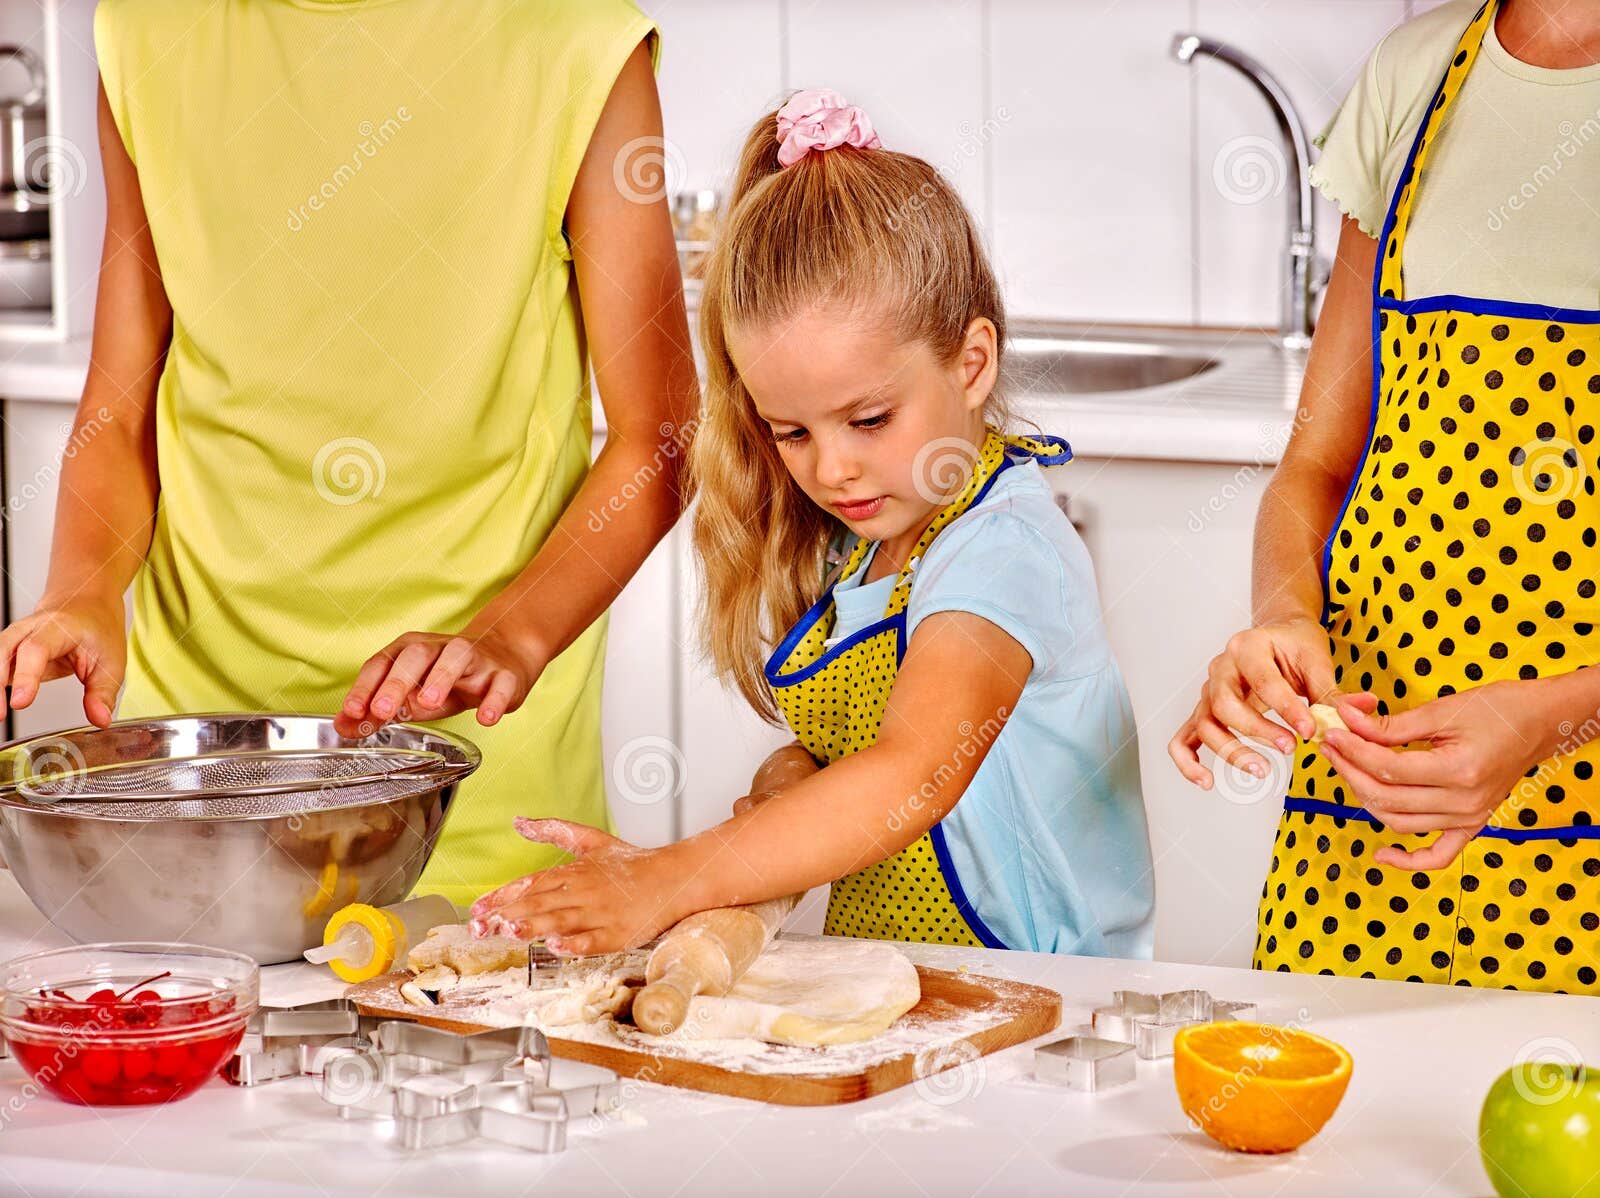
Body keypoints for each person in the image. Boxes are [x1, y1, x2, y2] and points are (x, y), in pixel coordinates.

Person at [0, 0, 697, 906]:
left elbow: (662, 439)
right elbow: (123, 400)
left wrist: (508, 637)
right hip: (196, 785)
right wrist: (83, 588)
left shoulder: (569, 39)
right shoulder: (145, 29)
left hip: (465, 785)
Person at [470, 90, 1155, 956]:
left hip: (1051, 998)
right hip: (920, 981)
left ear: (972, 363)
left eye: (869, 421)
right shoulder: (859, 548)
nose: (830, 470)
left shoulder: (1001, 548)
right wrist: (795, 772)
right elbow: (856, 767)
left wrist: (668, 878)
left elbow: (911, 773)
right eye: (791, 432)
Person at [1170, 0, 1600, 991]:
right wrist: (1282, 625)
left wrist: (1552, 720)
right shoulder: (1415, 76)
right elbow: (1316, 462)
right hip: (1362, 827)